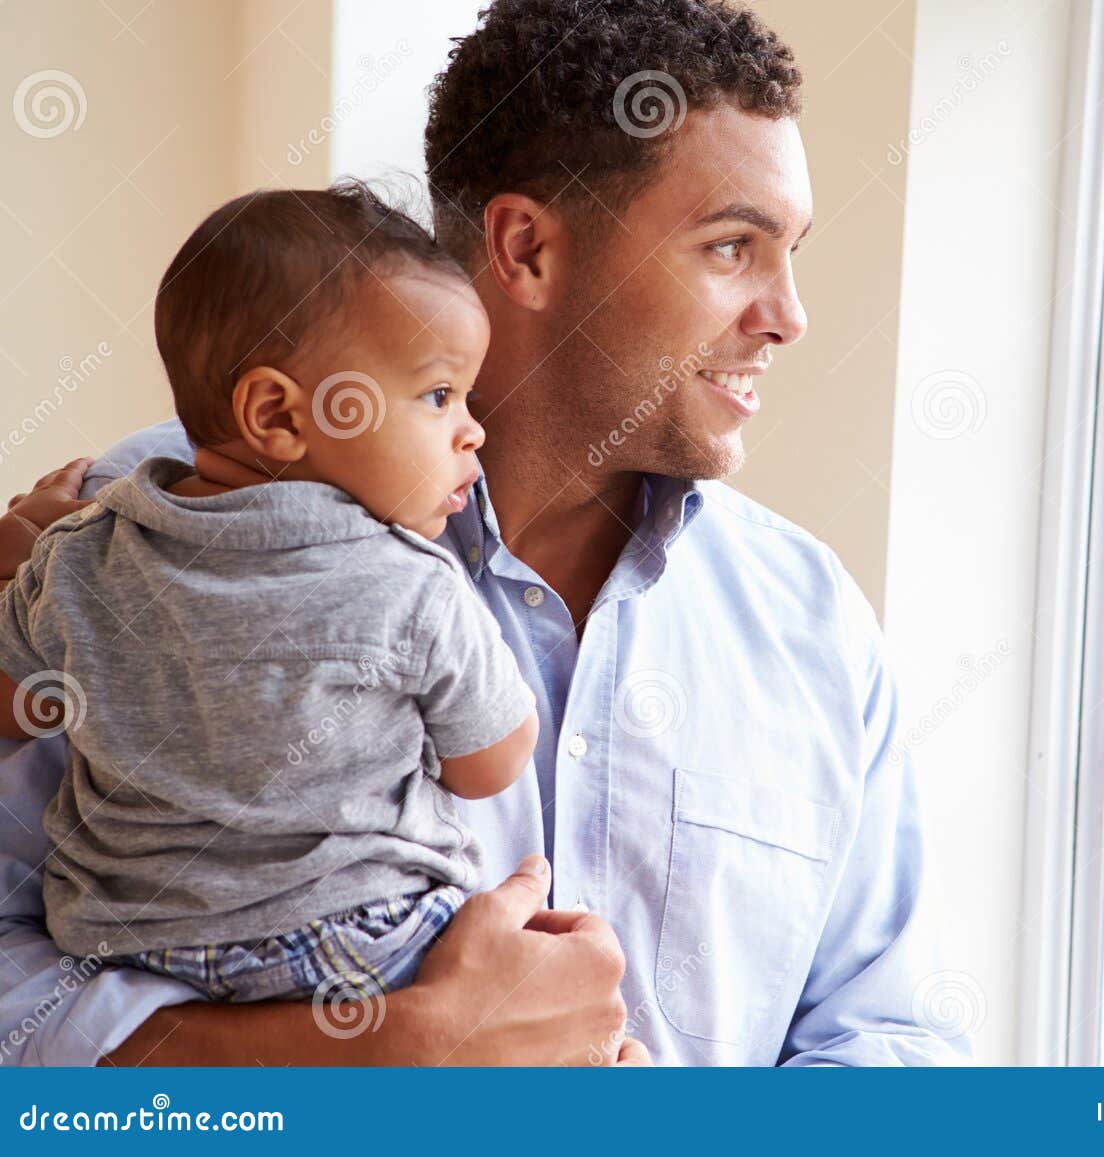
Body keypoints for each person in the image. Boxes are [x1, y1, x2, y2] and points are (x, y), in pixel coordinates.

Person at [0, 0, 964, 1066]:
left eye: (791, 253)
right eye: (732, 246)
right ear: (526, 248)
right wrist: (374, 1058)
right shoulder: (134, 535)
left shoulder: (812, 621)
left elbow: (895, 1040)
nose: (788, 314)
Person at [0, 183, 540, 1010]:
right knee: (544, 1002)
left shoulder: (79, 555)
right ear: (277, 414)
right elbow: (488, 766)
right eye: (439, 395)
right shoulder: (415, 586)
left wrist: (20, 566)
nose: (474, 429)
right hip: (361, 946)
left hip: (131, 953)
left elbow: (12, 703)